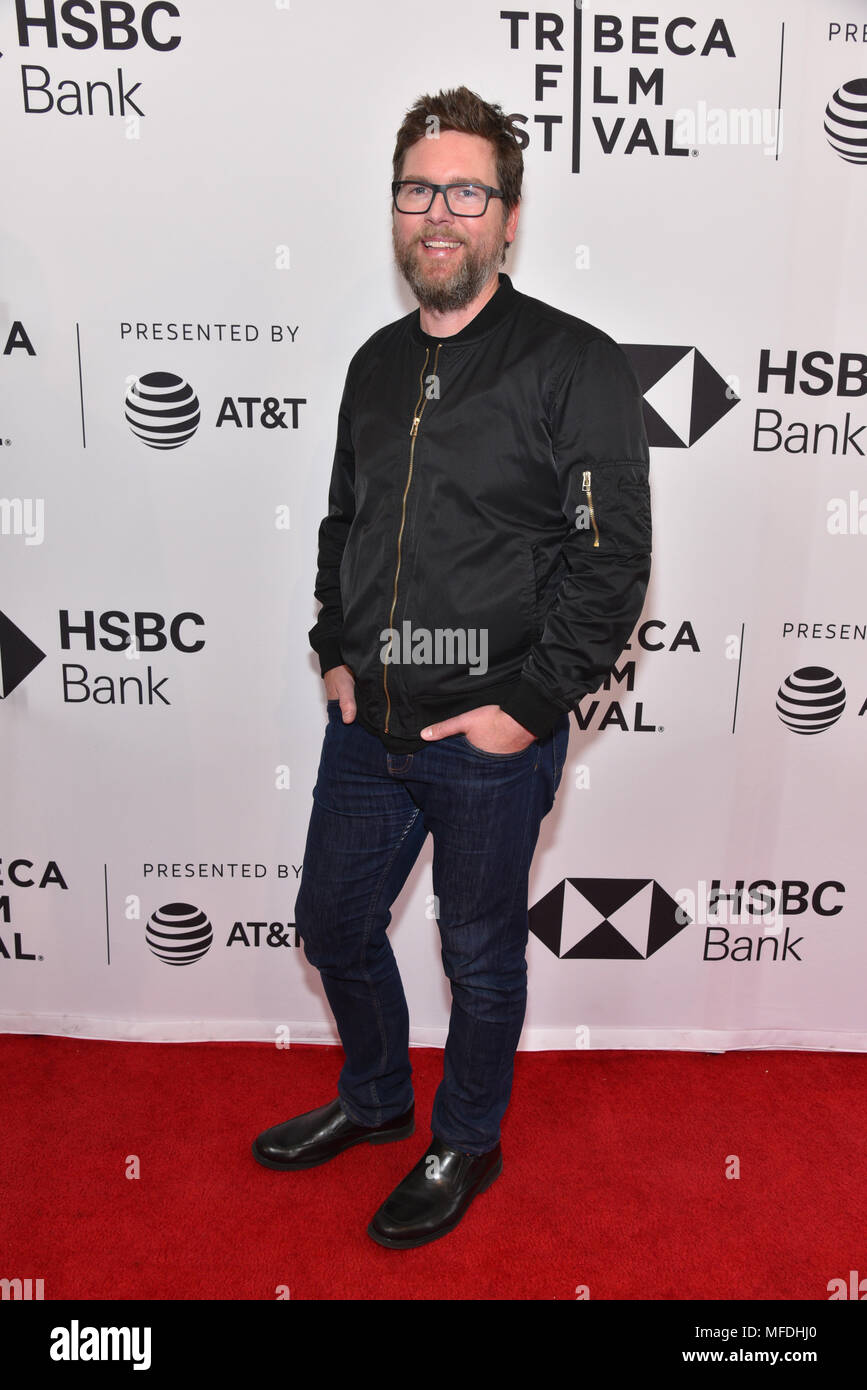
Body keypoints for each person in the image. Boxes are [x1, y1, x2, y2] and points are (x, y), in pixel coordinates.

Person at [253, 86, 652, 1250]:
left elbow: (612, 558)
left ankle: (464, 1139)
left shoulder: (575, 364)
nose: (440, 213)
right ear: (396, 209)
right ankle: (377, 1100)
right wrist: (335, 648)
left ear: (509, 217)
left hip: (488, 740)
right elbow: (346, 520)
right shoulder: (376, 364)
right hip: (365, 727)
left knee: (480, 959)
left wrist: (527, 709)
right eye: (419, 190)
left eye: (466, 192)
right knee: (331, 922)